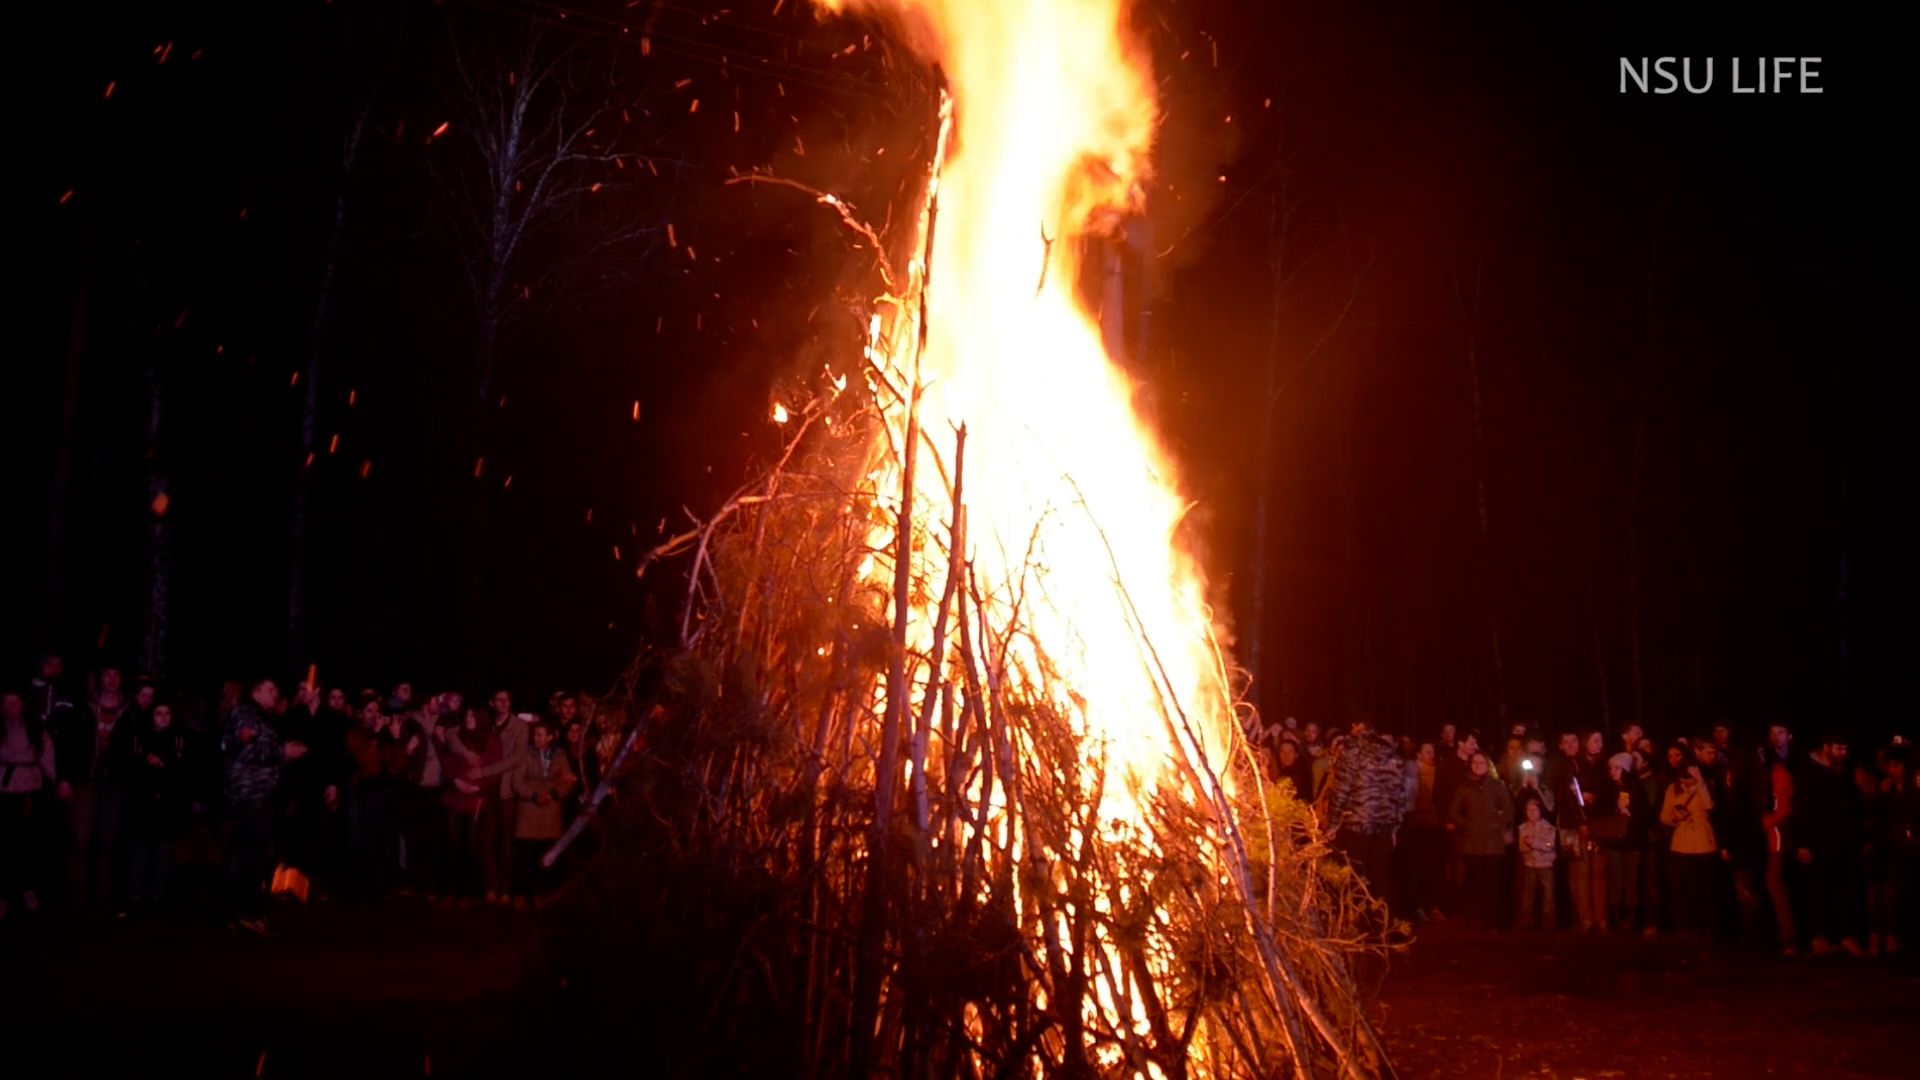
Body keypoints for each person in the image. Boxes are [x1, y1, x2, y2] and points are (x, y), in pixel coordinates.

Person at [222, 679, 307, 934]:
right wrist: (283, 752)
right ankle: (245, 910)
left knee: (250, 852)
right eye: (271, 689)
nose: (276, 693)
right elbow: (246, 751)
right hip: (250, 794)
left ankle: (238, 910)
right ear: (256, 690)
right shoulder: (245, 715)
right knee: (251, 853)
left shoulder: (261, 716)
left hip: (259, 793)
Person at [1321, 715, 1412, 914]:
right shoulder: (1392, 754)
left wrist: (1333, 823)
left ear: (1362, 727)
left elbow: (1341, 789)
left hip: (1356, 824)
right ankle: (1386, 928)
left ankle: (1361, 926)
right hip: (1384, 826)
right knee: (1381, 877)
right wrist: (1395, 826)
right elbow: (1400, 794)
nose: (1352, 728)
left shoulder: (1352, 751)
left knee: (1357, 877)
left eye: (1355, 725)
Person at [1795, 732, 1865, 957]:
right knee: (1818, 890)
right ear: (1826, 747)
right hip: (1818, 841)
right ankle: (1819, 937)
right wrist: (1803, 843)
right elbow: (1802, 808)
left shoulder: (1844, 771)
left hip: (1844, 841)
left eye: (1845, 749)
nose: (1843, 754)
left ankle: (1844, 936)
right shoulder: (1807, 771)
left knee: (1845, 889)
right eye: (1838, 749)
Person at [123, 702, 191, 914]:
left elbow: (185, 772)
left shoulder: (180, 740)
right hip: (142, 804)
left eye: (167, 713)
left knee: (163, 853)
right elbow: (127, 768)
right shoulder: (138, 738)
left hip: (168, 805)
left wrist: (166, 764)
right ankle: (135, 898)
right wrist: (145, 762)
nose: (162, 717)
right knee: (139, 852)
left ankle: (156, 898)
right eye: (158, 713)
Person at [343, 698, 408, 908]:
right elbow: (361, 761)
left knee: (386, 843)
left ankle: (377, 890)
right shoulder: (355, 734)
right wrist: (374, 735)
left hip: (388, 791)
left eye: (376, 711)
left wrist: (397, 738)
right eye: (368, 711)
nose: (373, 715)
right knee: (370, 841)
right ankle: (358, 889)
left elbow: (399, 764)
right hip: (369, 792)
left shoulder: (386, 736)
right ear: (360, 713)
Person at [470, 690, 531, 903]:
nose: (503, 703)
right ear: (491, 702)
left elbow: (515, 758)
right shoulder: (486, 725)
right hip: (488, 791)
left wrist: (484, 772)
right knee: (487, 841)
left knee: (507, 842)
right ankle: (491, 887)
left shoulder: (520, 727)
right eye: (498, 699)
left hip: (507, 790)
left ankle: (506, 888)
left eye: (506, 699)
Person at [1, 689, 57, 918]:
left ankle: (27, 888)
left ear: (23, 704)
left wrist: (54, 781)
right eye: (5, 704)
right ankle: (2, 893)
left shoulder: (35, 727)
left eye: (14, 703)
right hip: (3, 788)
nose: (10, 708)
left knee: (29, 841)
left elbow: (47, 755)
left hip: (30, 789)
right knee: (5, 841)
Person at [507, 720, 576, 908]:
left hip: (549, 810)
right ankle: (519, 892)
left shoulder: (559, 756)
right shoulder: (525, 754)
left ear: (550, 737)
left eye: (540, 735)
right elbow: (517, 782)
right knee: (524, 855)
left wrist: (553, 794)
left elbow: (567, 781)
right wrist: (535, 795)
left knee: (543, 854)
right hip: (528, 809)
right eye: (534, 734)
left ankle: (538, 891)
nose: (536, 738)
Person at [1447, 751, 1513, 931]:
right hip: (1472, 842)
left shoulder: (1497, 785)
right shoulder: (1464, 786)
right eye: (1475, 762)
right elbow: (1453, 811)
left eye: (1482, 762)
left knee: (1494, 882)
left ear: (1488, 765)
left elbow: (1508, 809)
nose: (1478, 765)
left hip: (1492, 841)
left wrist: (1497, 825)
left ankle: (1494, 920)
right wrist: (1467, 824)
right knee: (1476, 882)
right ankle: (1478, 919)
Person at [1661, 754, 1720, 946]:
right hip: (1682, 845)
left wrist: (1700, 783)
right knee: (1687, 889)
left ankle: (1708, 930)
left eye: (1690, 779)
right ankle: (1691, 928)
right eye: (1683, 779)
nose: (1686, 783)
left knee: (1707, 890)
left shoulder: (1706, 786)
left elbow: (1709, 805)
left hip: (1704, 845)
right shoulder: (1672, 789)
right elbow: (1664, 817)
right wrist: (1675, 818)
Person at [441, 708, 497, 904]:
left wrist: (477, 786)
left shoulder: (490, 741)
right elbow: (447, 761)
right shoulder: (458, 738)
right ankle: (450, 889)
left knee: (471, 846)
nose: (468, 719)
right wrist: (456, 780)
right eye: (467, 715)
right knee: (452, 844)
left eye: (473, 715)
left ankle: (469, 890)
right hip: (453, 797)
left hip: (474, 800)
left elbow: (494, 770)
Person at [1596, 751, 1651, 933]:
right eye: (1611, 768)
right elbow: (1598, 812)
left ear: (1626, 769)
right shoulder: (1605, 788)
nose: (1613, 771)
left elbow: (1645, 814)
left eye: (1618, 768)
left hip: (1633, 841)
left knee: (1631, 880)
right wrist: (1614, 809)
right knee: (1615, 879)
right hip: (1613, 842)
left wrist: (1630, 815)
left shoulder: (1636, 788)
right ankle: (1616, 917)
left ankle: (1632, 917)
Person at [1516, 795, 1557, 931]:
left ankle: (1548, 922)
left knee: (1548, 896)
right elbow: (1522, 847)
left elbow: (1549, 845)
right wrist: (1529, 845)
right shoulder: (1522, 828)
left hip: (1545, 866)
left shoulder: (1548, 827)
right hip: (1530, 865)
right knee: (1528, 896)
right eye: (1529, 810)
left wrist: (1532, 842)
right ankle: (1526, 920)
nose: (1532, 813)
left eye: (1534, 810)